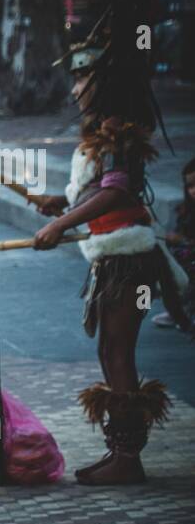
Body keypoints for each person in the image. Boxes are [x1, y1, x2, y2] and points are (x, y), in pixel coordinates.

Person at [31, 39, 188, 484]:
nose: (76, 88)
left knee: (119, 352)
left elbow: (118, 192)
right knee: (109, 349)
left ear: (104, 85)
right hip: (114, 257)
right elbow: (99, 188)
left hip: (130, 260)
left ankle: (128, 458)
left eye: (84, 78)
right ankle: (120, 450)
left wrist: (62, 224)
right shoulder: (103, 130)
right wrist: (59, 202)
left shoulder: (119, 130)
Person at [151, 156, 195, 327]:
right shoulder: (187, 210)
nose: (193, 191)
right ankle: (146, 307)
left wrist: (184, 241)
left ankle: (182, 310)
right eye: (190, 186)